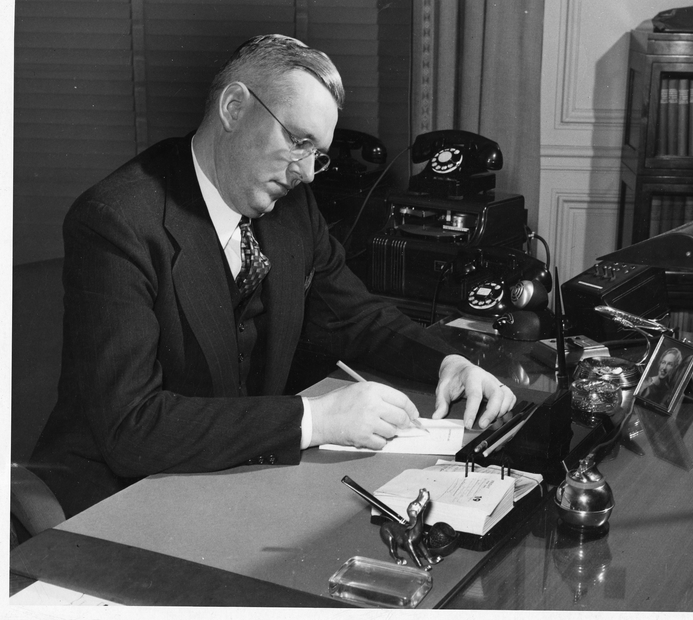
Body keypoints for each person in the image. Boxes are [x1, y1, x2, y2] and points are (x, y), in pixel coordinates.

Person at [30, 34, 517, 518]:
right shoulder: (117, 220)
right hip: (117, 495)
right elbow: (131, 428)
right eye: (298, 141)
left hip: (235, 479)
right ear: (234, 107)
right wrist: (316, 418)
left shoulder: (291, 206)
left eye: (318, 154)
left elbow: (355, 317)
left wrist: (447, 362)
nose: (307, 174)